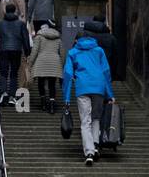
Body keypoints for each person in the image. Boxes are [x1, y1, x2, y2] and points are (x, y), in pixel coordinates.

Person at [62, 31, 114, 165]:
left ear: (76, 40)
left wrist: (67, 98)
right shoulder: (98, 50)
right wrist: (110, 94)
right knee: (96, 118)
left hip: (83, 87)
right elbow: (106, 71)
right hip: (99, 87)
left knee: (85, 120)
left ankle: (89, 152)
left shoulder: (73, 52)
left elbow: (68, 74)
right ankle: (96, 145)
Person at [0, 4, 31, 106]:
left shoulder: (0, 24)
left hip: (3, 50)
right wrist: (27, 52)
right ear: (15, 11)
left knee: (3, 73)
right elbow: (26, 39)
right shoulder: (21, 24)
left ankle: (3, 93)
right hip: (16, 50)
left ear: (5, 11)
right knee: (14, 73)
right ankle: (12, 96)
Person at [28, 20, 63, 113]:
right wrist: (63, 64)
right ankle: (52, 106)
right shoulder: (58, 38)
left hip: (41, 61)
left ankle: (43, 103)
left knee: (41, 82)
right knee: (52, 84)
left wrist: (30, 64)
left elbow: (34, 51)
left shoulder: (39, 37)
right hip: (55, 62)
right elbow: (62, 53)